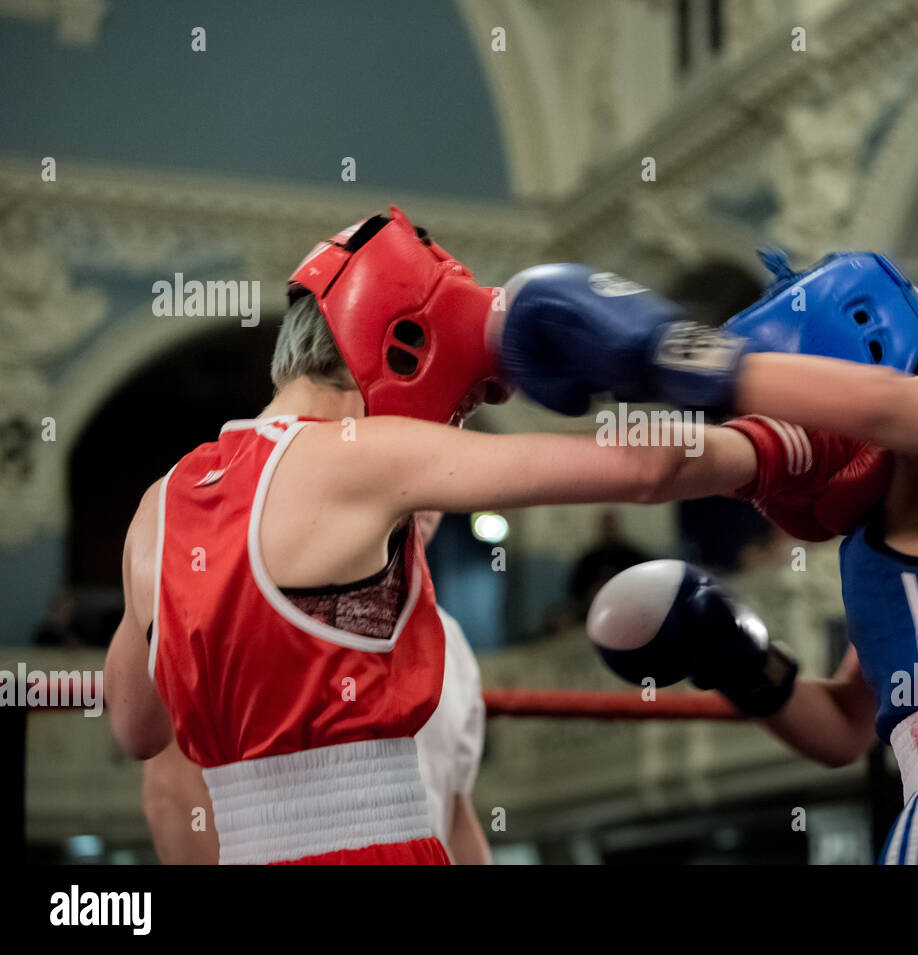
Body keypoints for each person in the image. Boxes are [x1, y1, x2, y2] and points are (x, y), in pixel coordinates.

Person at [104, 208, 759, 865]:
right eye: (455, 408)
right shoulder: (362, 454)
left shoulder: (160, 503)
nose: (451, 424)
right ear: (395, 349)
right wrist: (780, 446)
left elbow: (136, 726)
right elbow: (649, 464)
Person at [501, 248, 918, 863]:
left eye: (791, 403)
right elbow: (844, 727)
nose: (786, 436)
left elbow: (900, 406)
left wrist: (688, 355)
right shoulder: (892, 554)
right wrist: (739, 656)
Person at [139, 513, 491, 865]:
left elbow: (456, 810)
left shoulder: (451, 641)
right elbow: (172, 790)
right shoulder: (249, 613)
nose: (423, 498)